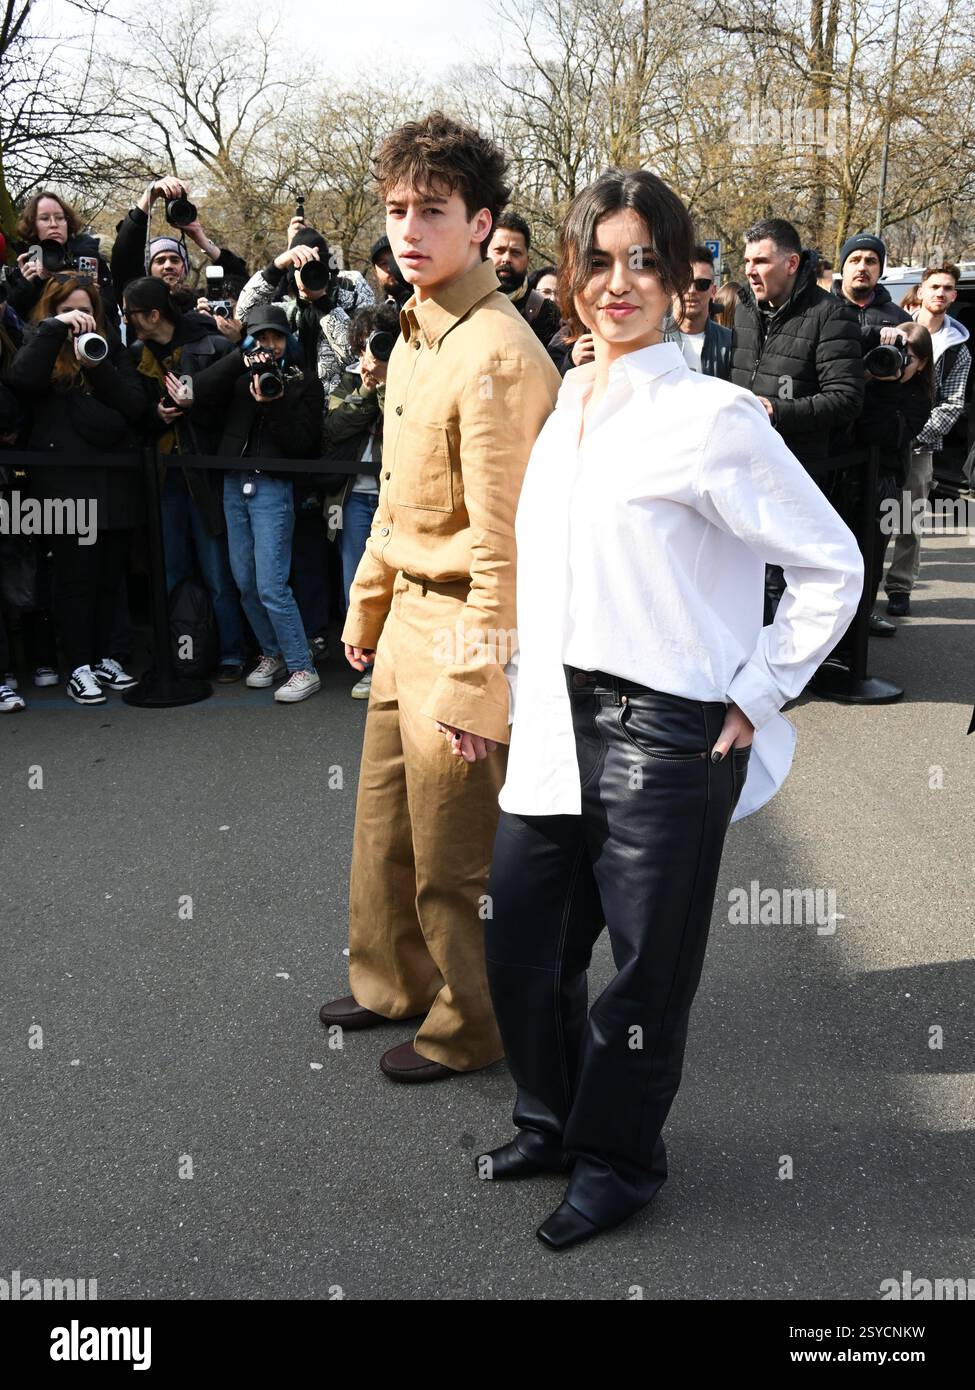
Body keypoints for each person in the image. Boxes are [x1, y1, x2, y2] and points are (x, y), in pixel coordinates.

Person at [477, 168, 864, 1251]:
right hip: (556, 722)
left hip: (665, 733)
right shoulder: (564, 406)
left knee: (643, 976)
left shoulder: (712, 419)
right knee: (522, 946)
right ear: (567, 273)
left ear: (685, 277)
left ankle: (621, 1161)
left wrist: (761, 685)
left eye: (644, 259)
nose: (618, 281)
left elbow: (832, 562)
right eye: (598, 259)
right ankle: (552, 1120)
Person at [317, 111, 561, 1082]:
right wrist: (366, 604)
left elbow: (508, 547)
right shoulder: (413, 333)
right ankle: (392, 985)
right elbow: (394, 494)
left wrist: (477, 685)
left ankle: (472, 1025)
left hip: (466, 624)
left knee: (458, 863)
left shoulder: (499, 354)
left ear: (481, 222)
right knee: (383, 827)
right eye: (396, 210)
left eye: (432, 209)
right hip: (407, 614)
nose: (409, 228)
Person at [236, 225, 375, 659]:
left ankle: (346, 632)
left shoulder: (350, 285)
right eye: (300, 258)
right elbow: (245, 315)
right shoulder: (278, 295)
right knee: (302, 538)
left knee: (341, 539)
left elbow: (357, 352)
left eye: (315, 258)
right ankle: (313, 632)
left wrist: (326, 301)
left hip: (337, 422)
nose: (308, 267)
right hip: (291, 417)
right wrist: (276, 268)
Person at [6, 274, 145, 704]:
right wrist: (54, 332)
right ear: (52, 310)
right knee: (73, 579)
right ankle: (79, 665)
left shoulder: (107, 346)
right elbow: (21, 383)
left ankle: (107, 658)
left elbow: (135, 406)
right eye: (69, 310)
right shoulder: (39, 342)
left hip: (112, 482)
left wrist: (96, 367)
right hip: (62, 487)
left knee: (108, 577)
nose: (80, 318)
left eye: (86, 310)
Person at [191, 302, 324, 703]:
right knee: (245, 583)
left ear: (288, 340)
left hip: (273, 487)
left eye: (276, 337)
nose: (270, 345)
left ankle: (304, 666)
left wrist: (276, 401)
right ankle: (273, 654)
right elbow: (198, 393)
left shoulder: (305, 383)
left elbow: (303, 444)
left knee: (271, 585)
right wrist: (239, 358)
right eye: (262, 337)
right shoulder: (237, 374)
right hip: (234, 481)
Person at [732, 218, 863, 621]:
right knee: (741, 576)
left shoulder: (831, 315)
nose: (751, 270)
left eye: (761, 261)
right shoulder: (743, 309)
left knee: (780, 583)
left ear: (791, 263)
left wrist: (777, 411)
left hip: (795, 474)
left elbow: (846, 399)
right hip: (741, 469)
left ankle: (777, 676)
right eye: (747, 260)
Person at [123, 276, 247, 681]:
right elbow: (130, 416)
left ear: (154, 314)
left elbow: (233, 416)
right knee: (170, 570)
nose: (127, 321)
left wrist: (195, 404)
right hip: (162, 477)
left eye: (131, 314)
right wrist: (155, 417)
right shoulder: (135, 355)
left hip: (203, 473)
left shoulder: (212, 345)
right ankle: (177, 653)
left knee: (216, 571)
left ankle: (231, 653)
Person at [319, 302, 400, 698]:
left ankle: (391, 663)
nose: (375, 351)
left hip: (394, 499)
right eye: (369, 343)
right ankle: (367, 664)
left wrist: (386, 385)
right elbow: (333, 428)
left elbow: (401, 432)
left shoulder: (407, 381)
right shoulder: (347, 382)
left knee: (395, 585)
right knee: (357, 583)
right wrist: (368, 388)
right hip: (351, 499)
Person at [884, 264, 971, 616]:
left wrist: (913, 433)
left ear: (954, 296)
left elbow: (951, 404)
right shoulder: (892, 330)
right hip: (878, 437)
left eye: (948, 288)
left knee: (907, 519)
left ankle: (899, 587)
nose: (940, 293)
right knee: (864, 515)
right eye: (934, 286)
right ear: (920, 291)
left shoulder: (958, 350)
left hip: (919, 447)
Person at [852, 321, 934, 629]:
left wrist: (885, 384)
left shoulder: (919, 398)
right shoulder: (866, 373)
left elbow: (883, 434)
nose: (898, 362)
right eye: (895, 352)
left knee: (871, 555)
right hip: (846, 475)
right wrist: (873, 338)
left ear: (924, 363)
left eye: (909, 358)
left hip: (884, 482)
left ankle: (861, 622)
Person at [111, 177, 248, 309]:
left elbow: (241, 283)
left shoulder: (200, 304)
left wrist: (203, 241)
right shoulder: (137, 302)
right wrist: (150, 195)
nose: (168, 266)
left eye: (175, 260)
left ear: (186, 267)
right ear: (148, 268)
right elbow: (124, 255)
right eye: (160, 261)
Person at [6, 191, 117, 325]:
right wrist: (26, 285)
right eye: (45, 218)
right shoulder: (26, 260)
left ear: (67, 222)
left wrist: (92, 295)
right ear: (33, 225)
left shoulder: (89, 254)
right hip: (45, 340)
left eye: (59, 218)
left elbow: (110, 311)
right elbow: (14, 320)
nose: (53, 224)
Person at [487, 212, 562, 348]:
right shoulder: (466, 303)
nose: (506, 259)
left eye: (516, 253)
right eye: (499, 250)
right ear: (485, 253)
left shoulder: (546, 313)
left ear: (527, 259)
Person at [666, 244, 731, 379]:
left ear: (713, 291)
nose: (691, 291)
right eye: (684, 282)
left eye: (701, 284)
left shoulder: (730, 343)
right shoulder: (651, 339)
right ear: (671, 287)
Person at [835, 233, 911, 334]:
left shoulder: (901, 319)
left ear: (880, 271)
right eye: (855, 260)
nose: (862, 267)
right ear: (843, 269)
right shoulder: (820, 312)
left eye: (870, 261)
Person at [368, 235, 412, 307]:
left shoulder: (432, 301)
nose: (390, 268)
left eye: (395, 260)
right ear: (375, 272)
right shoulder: (375, 314)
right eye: (383, 263)